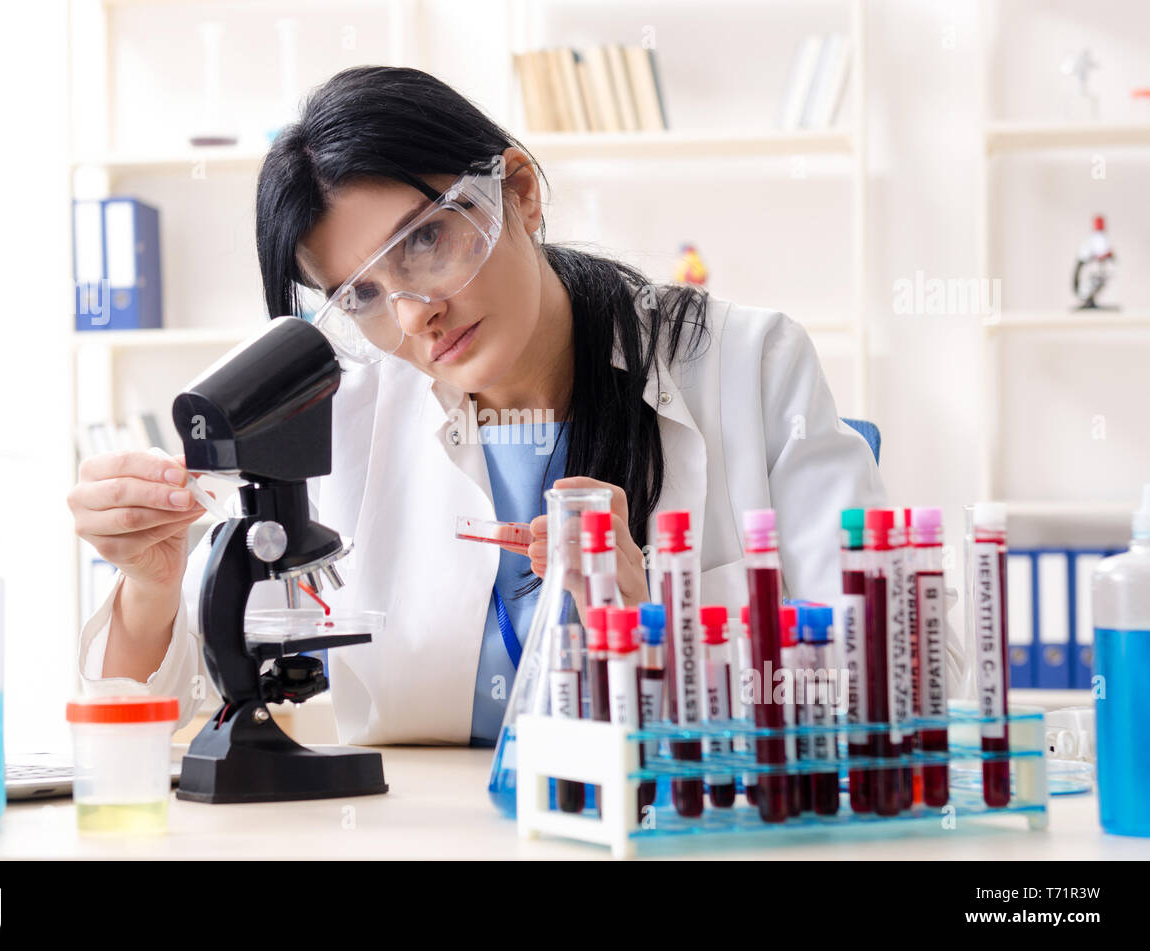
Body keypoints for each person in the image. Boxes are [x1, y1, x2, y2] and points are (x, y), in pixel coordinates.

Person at [67, 66, 886, 746]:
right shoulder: (342, 415)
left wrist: (655, 614)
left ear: (519, 193)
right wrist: (151, 586)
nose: (412, 313)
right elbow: (155, 722)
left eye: (424, 239)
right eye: (361, 294)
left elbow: (908, 673)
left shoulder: (750, 365)